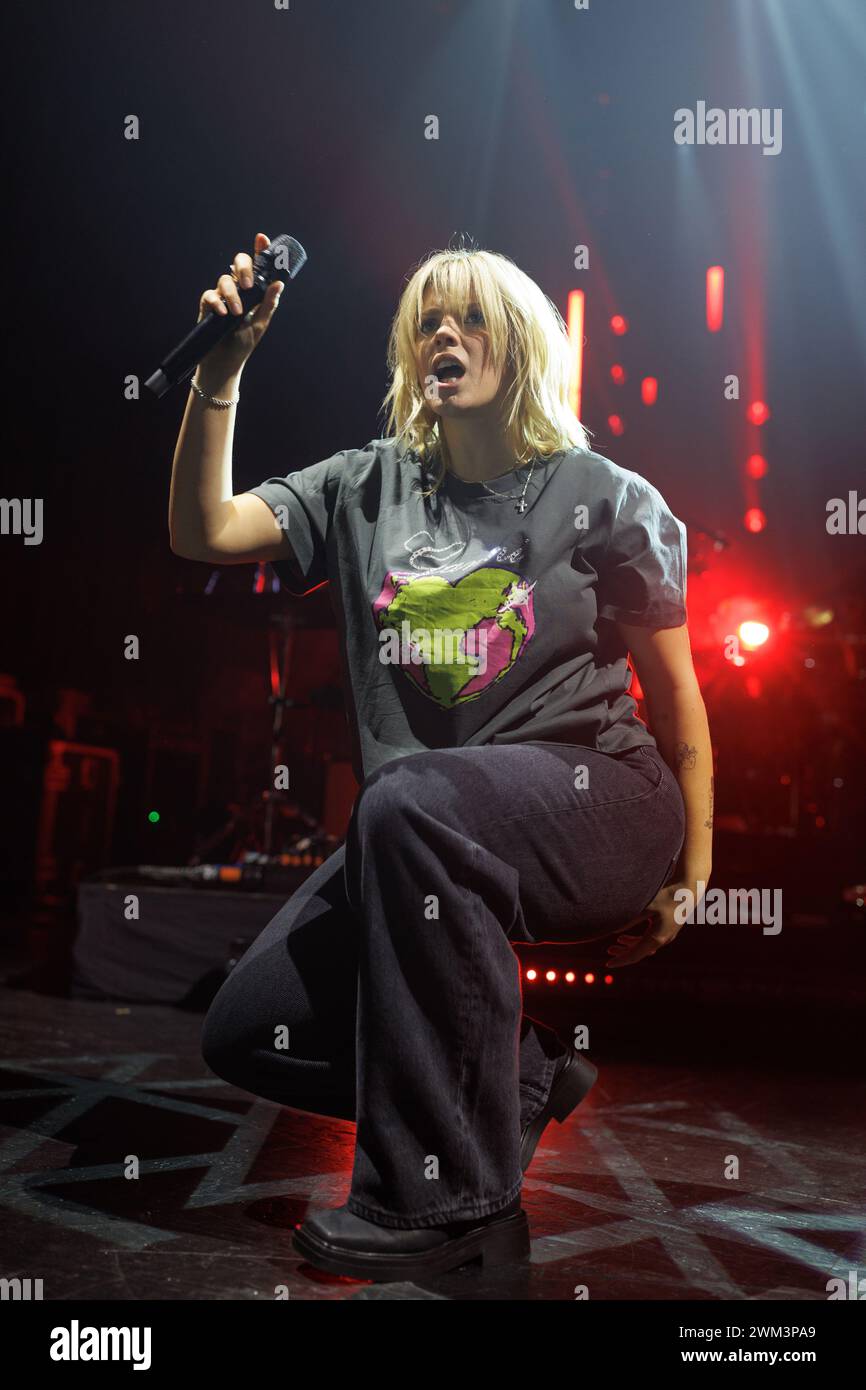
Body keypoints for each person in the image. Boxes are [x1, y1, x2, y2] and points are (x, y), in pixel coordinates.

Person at [169, 233, 714, 1283]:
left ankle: (436, 1193)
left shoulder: (603, 495)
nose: (442, 336)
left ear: (517, 344)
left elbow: (680, 703)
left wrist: (687, 874)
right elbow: (202, 531)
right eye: (426, 321)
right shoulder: (364, 487)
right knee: (248, 1029)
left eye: (467, 318)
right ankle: (515, 1071)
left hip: (599, 801)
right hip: (420, 828)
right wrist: (219, 373)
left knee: (407, 800)